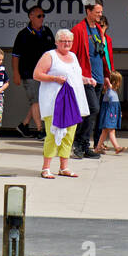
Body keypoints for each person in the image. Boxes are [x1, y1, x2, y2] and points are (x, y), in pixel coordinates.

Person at [33, 29, 90, 178]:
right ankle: (46, 168)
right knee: (52, 133)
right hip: (54, 102)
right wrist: (54, 79)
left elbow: (75, 76)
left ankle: (64, 167)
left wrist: (86, 79)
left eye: (69, 41)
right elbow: (37, 74)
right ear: (57, 42)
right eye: (63, 41)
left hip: (72, 101)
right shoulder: (49, 55)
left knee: (69, 135)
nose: (66, 44)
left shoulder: (73, 56)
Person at [69, 0, 111, 158]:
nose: (100, 15)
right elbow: (72, 56)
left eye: (101, 12)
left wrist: (106, 76)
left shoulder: (99, 29)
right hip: (85, 77)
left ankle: (84, 145)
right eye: (97, 12)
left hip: (99, 77)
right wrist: (77, 76)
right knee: (92, 109)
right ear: (88, 11)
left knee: (91, 113)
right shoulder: (79, 30)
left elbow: (102, 54)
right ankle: (78, 142)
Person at [11, 6, 54, 140]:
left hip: (45, 74)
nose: (42, 18)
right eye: (39, 16)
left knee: (40, 100)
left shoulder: (47, 32)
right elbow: (15, 56)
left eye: (43, 16)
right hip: (29, 73)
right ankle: (41, 130)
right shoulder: (23, 34)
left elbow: (53, 52)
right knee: (36, 101)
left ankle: (24, 125)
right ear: (31, 17)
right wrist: (16, 73)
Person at [94, 70, 125, 154]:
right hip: (109, 114)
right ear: (114, 82)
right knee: (111, 131)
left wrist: (118, 113)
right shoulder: (110, 91)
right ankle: (117, 147)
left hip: (112, 114)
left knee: (104, 132)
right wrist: (109, 86)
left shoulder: (113, 91)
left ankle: (97, 148)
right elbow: (111, 104)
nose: (119, 84)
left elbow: (115, 105)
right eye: (119, 82)